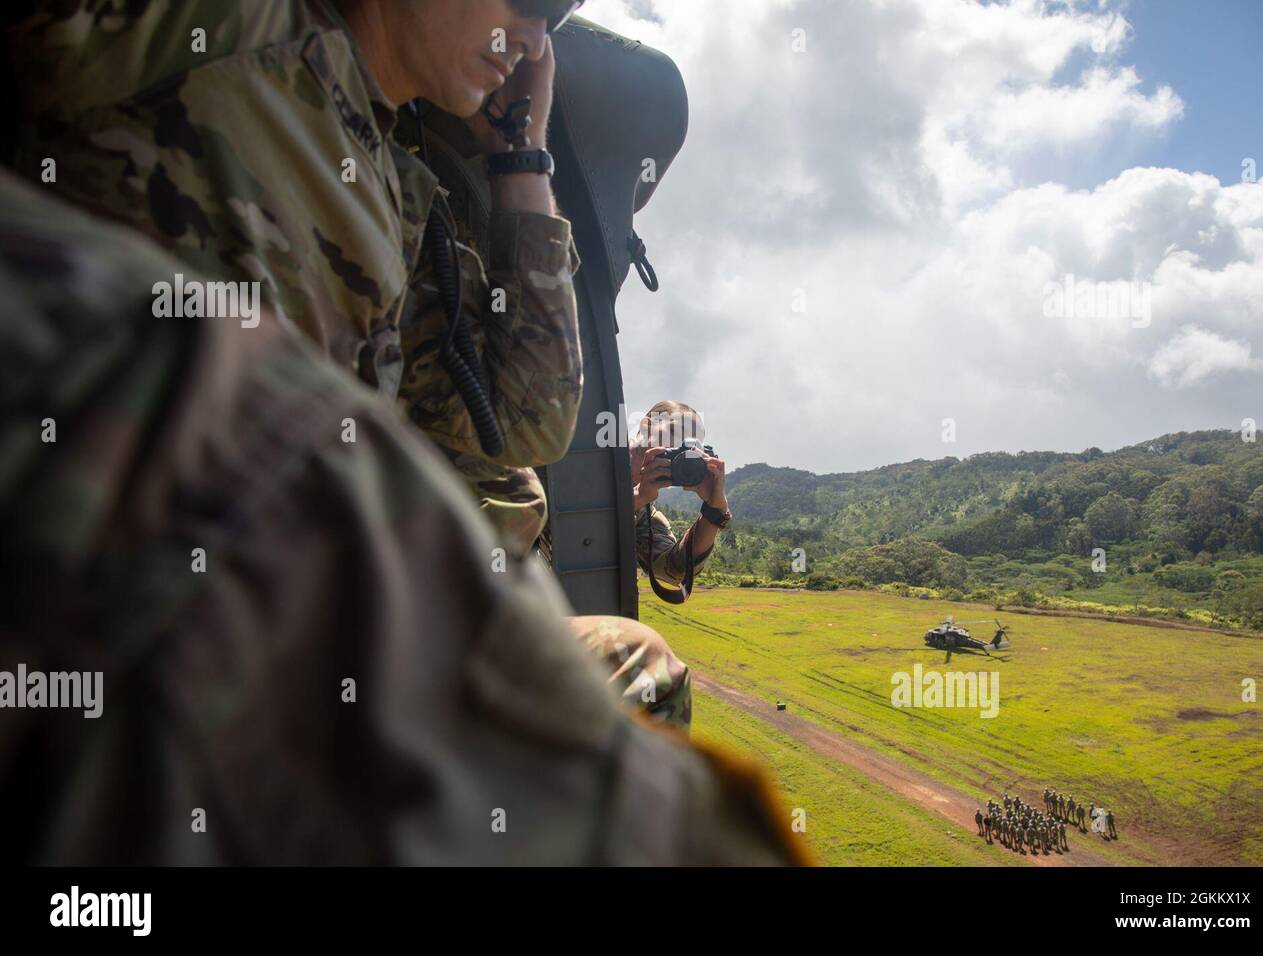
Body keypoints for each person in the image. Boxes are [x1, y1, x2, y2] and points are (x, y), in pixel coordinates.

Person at [0, 168, 806, 866]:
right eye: (662, 445)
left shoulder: (634, 504)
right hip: (450, 609)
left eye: (679, 450)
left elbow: (671, 581)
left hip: (513, 628)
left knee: (641, 670)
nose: (668, 457)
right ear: (635, 436)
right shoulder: (551, 440)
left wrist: (714, 509)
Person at [7, 0, 583, 557]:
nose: (534, 40)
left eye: (556, 18)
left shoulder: (399, 201)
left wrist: (521, 153)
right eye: (532, 0)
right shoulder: (223, 25)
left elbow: (527, 420)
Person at [631, 402, 730, 599]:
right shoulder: (591, 455)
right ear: (646, 426)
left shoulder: (645, 509)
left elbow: (675, 570)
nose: (681, 449)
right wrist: (637, 498)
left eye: (692, 445)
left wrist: (713, 511)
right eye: (675, 432)